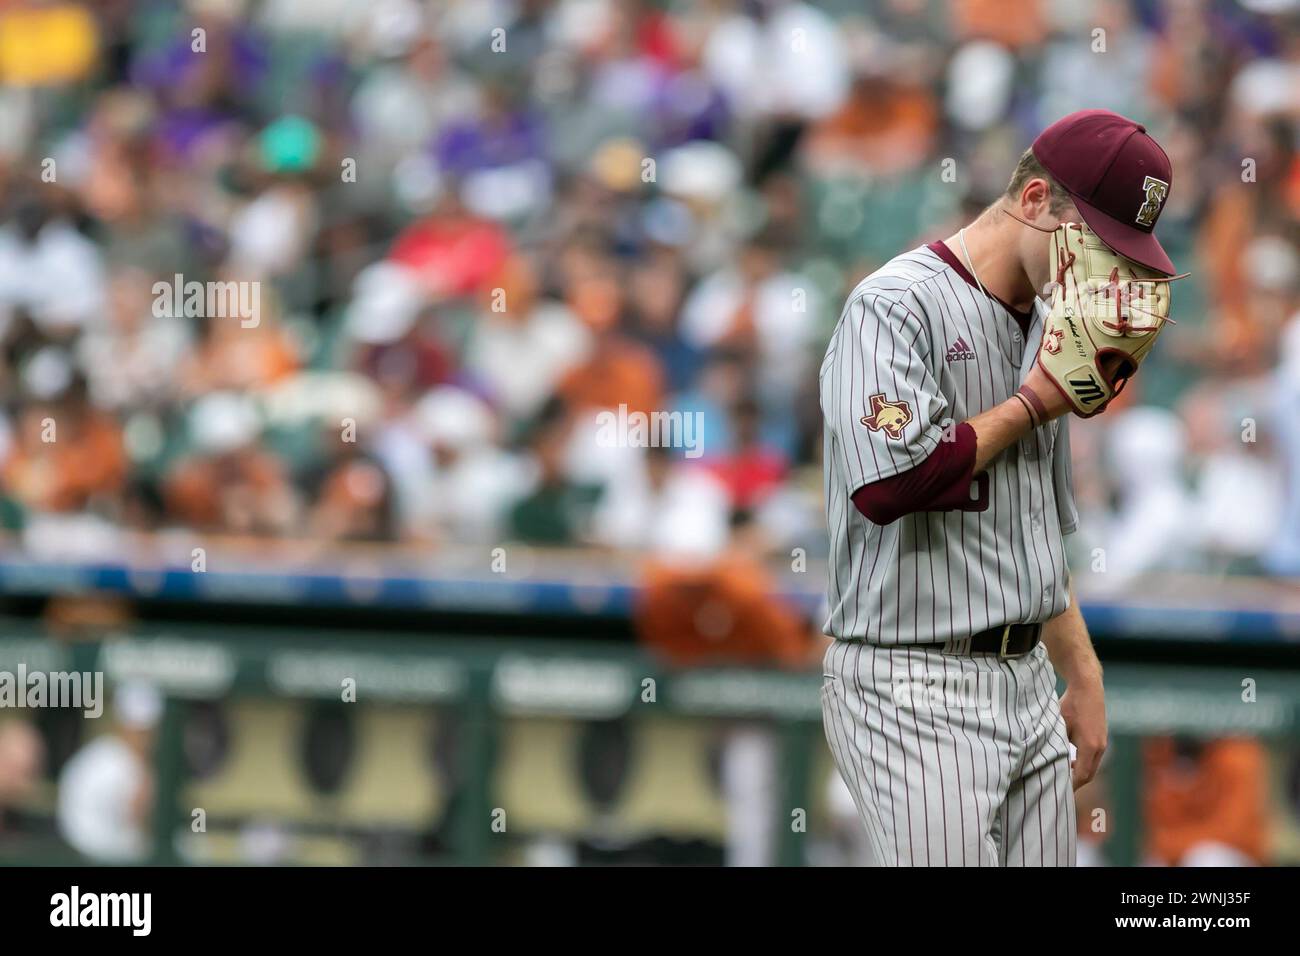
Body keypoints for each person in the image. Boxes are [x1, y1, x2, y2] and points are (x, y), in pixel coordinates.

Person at [818, 109, 1177, 866]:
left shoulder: (1049, 326)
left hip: (1025, 680)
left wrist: (1081, 669)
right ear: (1037, 200)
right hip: (912, 678)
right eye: (1099, 242)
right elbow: (894, 484)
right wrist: (1037, 401)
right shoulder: (894, 304)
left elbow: (1038, 529)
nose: (1108, 271)